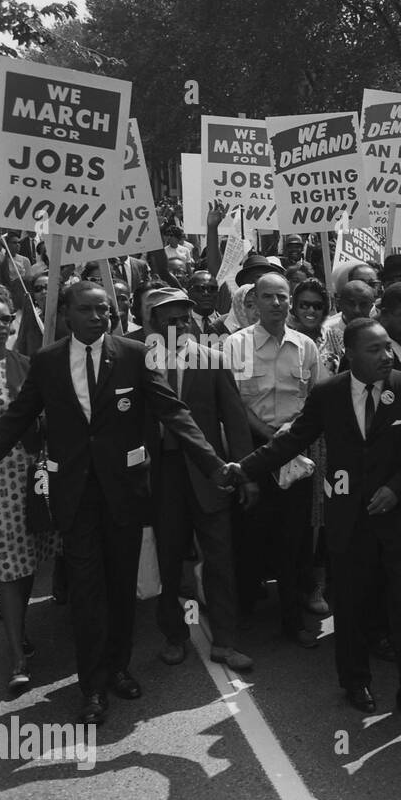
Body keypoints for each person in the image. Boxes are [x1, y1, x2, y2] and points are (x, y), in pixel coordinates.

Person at [0, 282, 226, 723]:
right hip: (74, 496)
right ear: (65, 314)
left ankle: (119, 667)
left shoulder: (135, 356)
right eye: (88, 309)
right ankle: (92, 687)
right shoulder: (47, 362)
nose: (99, 317)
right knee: (86, 591)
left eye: (105, 310)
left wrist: (213, 464)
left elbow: (173, 412)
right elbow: (16, 420)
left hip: (125, 494)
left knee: (122, 587)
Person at [221, 319, 401, 722]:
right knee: (352, 606)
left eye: (387, 348)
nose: (386, 355)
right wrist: (244, 469)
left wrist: (397, 486)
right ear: (351, 355)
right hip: (349, 520)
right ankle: (355, 682)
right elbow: (291, 439)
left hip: (400, 521)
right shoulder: (328, 394)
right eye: (374, 350)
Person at [145, 288, 256, 673]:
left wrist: (246, 473)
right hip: (163, 474)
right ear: (154, 322)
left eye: (184, 318)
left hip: (210, 474)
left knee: (220, 558)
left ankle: (225, 641)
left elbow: (235, 421)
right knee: (169, 559)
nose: (178, 325)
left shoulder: (213, 359)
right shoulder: (138, 362)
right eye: (169, 319)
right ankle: (175, 636)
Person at [225, 273, 324, 648]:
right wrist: (272, 440)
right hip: (253, 450)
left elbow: (314, 399)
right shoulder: (235, 345)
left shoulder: (306, 346)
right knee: (250, 535)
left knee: (293, 539)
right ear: (254, 302)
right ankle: (245, 613)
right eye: (268, 297)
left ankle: (291, 619)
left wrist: (292, 437)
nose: (277, 304)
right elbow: (235, 404)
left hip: (297, 453)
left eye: (283, 297)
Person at [0, 295, 58, 694]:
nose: (0, 326)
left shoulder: (23, 366)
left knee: (27, 560)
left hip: (28, 477)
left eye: (5, 320)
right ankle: (16, 654)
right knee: (8, 568)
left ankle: (18, 626)